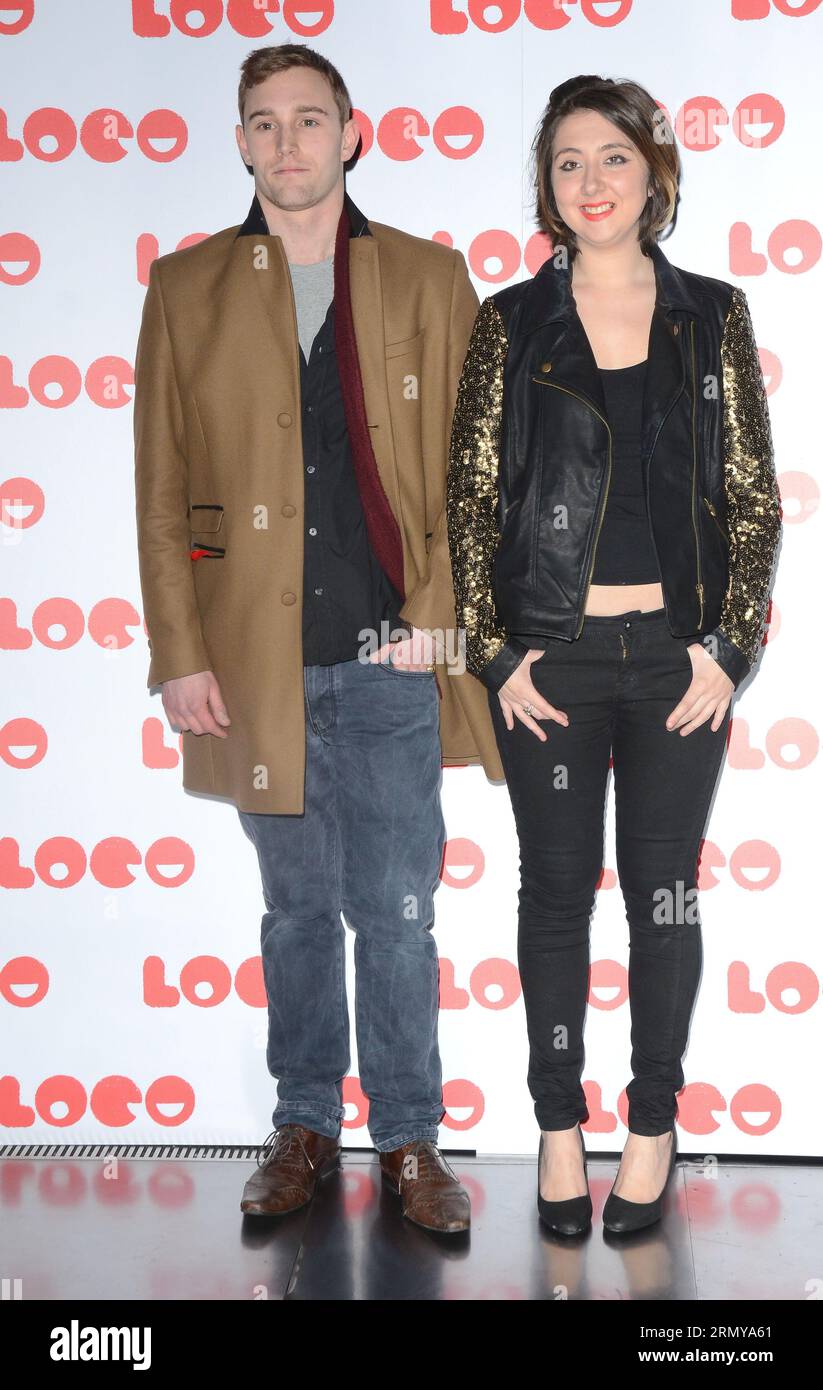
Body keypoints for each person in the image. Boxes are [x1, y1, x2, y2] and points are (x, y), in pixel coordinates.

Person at [133, 43, 505, 1234]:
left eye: (309, 119)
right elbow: (162, 488)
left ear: (353, 132)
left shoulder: (430, 276)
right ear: (241, 143)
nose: (287, 142)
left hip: (392, 655)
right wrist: (181, 650)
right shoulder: (185, 287)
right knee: (293, 910)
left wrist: (441, 620)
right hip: (252, 662)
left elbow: (471, 474)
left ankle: (407, 1140)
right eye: (264, 123)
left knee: (396, 912)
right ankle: (302, 1127)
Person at [445, 75, 782, 1235]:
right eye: (567, 162)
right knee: (552, 896)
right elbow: (472, 495)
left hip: (677, 667)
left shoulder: (714, 313)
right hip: (555, 664)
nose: (589, 181)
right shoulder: (511, 321)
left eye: (612, 158)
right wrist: (498, 655)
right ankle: (554, 1124)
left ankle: (650, 1123)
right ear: (546, 184)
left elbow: (750, 500)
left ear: (654, 174)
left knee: (666, 897)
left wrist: (728, 649)